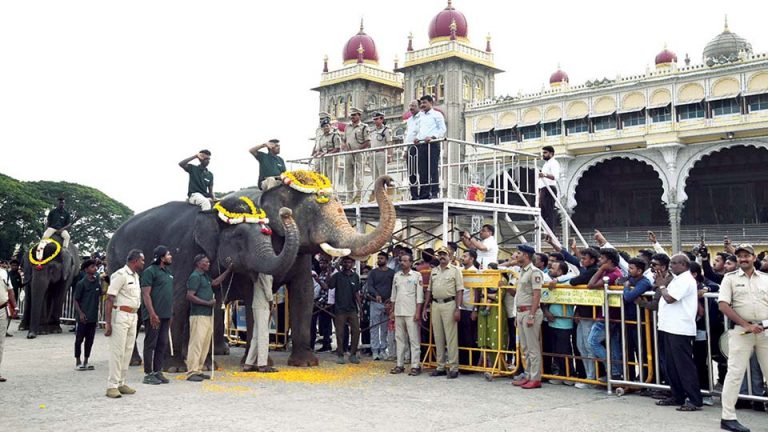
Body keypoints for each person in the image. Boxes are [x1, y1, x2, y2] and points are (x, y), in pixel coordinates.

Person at [718, 244, 768, 432]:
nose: (743, 259)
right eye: (740, 256)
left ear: (754, 258)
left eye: (747, 255)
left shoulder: (765, 279)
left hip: (764, 331)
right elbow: (723, 305)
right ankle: (727, 417)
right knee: (735, 374)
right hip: (742, 331)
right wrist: (747, 325)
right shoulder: (729, 279)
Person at [655, 254, 702, 412]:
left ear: (684, 265)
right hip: (668, 327)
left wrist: (662, 286)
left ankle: (694, 399)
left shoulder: (686, 280)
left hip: (680, 328)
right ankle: (677, 396)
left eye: (674, 263)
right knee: (671, 365)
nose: (671, 266)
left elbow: (670, 299)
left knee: (683, 366)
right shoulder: (677, 279)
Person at [185, 254, 233, 382]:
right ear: (198, 264)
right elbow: (189, 296)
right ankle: (192, 371)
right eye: (205, 262)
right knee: (196, 343)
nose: (208, 264)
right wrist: (206, 303)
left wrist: (228, 270)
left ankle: (199, 369)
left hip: (207, 314)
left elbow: (215, 282)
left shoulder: (205, 276)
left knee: (205, 343)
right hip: (199, 314)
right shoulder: (195, 276)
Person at [104, 249, 144, 399]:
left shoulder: (136, 276)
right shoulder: (120, 275)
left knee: (128, 351)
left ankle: (121, 382)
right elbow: (110, 298)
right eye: (142, 260)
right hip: (120, 314)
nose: (143, 263)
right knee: (118, 351)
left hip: (132, 315)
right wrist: (108, 323)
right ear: (135, 261)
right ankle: (112, 385)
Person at [422, 246, 464, 379]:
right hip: (435, 304)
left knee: (451, 337)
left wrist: (458, 308)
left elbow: (459, 290)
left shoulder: (455, 270)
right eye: (440, 254)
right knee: (438, 336)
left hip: (449, 304)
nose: (442, 256)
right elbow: (429, 290)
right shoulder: (434, 271)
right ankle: (440, 366)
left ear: (449, 256)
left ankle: (453, 367)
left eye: (444, 254)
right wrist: (425, 307)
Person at [511, 245, 545, 389]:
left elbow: (537, 295)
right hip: (521, 311)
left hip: (530, 311)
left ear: (526, 255)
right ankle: (528, 375)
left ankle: (535, 377)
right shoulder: (522, 271)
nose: (516, 255)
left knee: (532, 347)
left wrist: (531, 314)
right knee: (525, 347)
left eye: (519, 253)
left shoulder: (534, 272)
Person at [139, 246, 174, 385]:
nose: (170, 256)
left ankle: (157, 371)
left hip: (165, 315)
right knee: (150, 343)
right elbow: (146, 294)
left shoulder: (168, 272)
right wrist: (152, 313)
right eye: (168, 254)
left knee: (162, 343)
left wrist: (170, 313)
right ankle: (148, 374)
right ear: (161, 257)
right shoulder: (149, 271)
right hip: (154, 315)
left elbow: (169, 294)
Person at [389, 253, 424, 375]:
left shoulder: (416, 276)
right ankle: (400, 364)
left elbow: (419, 296)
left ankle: (415, 365)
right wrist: (392, 311)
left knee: (413, 339)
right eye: (401, 261)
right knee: (399, 339)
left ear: (411, 262)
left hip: (411, 312)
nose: (402, 263)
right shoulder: (397, 276)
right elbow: (393, 295)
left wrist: (418, 312)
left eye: (405, 261)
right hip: (399, 311)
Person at [329, 256, 362, 364]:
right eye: (345, 262)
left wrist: (360, 307)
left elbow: (356, 293)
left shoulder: (355, 276)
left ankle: (353, 354)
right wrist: (330, 270)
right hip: (340, 309)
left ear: (353, 264)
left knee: (356, 331)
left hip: (352, 309)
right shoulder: (337, 276)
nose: (347, 264)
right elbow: (329, 286)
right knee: (340, 333)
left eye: (349, 262)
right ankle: (340, 354)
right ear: (342, 263)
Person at [243, 271, 277, 373]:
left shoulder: (258, 271)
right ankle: (262, 364)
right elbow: (268, 290)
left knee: (256, 335)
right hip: (263, 305)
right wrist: (271, 303)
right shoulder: (265, 272)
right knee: (263, 335)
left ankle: (248, 363)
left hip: (257, 304)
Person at [413, 95, 446, 199]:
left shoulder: (437, 114)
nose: (422, 105)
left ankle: (434, 192)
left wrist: (433, 137)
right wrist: (417, 138)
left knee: (433, 168)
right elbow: (418, 130)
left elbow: (442, 129)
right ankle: (424, 193)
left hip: (432, 144)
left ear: (431, 103)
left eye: (425, 103)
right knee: (422, 170)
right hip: (421, 144)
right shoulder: (420, 116)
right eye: (421, 103)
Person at [366, 252, 395, 360]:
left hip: (388, 304)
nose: (379, 260)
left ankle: (383, 349)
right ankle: (375, 350)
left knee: (385, 328)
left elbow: (394, 287)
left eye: (381, 258)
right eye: (378, 258)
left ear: (386, 260)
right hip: (375, 303)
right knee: (374, 327)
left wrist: (391, 298)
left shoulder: (392, 273)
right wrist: (376, 294)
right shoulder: (373, 273)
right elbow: (370, 286)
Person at [73, 259, 101, 371]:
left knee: (90, 340)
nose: (95, 268)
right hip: (83, 317)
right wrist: (80, 313)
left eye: (95, 266)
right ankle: (78, 360)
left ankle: (86, 360)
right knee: (79, 339)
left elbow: (102, 293)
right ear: (86, 269)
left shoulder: (96, 282)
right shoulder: (81, 284)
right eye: (92, 267)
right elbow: (76, 300)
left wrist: (107, 282)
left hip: (93, 317)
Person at [342, 107, 370, 203]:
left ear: (359, 115)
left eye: (354, 115)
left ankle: (358, 198)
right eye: (351, 115)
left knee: (359, 177)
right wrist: (344, 146)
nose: (352, 117)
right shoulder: (347, 127)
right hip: (349, 154)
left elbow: (367, 142)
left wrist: (358, 149)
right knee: (348, 177)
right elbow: (344, 140)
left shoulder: (364, 127)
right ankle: (349, 198)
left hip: (359, 154)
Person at [458, 250, 479, 367]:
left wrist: (475, 310)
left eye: (465, 256)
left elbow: (476, 292)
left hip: (470, 309)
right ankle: (463, 363)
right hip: (461, 308)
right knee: (461, 336)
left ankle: (472, 364)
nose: (462, 258)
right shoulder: (460, 271)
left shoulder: (475, 272)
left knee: (470, 337)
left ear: (472, 259)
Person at [0, 264, 19, 382]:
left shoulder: (4, 273)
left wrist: (15, 306)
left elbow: (10, 291)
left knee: (0, 342)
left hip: (2, 310)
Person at [368, 112, 392, 201]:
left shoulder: (386, 130)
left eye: (377, 119)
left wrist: (389, 155)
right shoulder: (372, 131)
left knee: (382, 176)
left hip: (381, 153)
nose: (375, 121)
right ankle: (377, 196)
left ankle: (384, 196)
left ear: (381, 119)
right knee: (375, 177)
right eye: (374, 119)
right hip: (372, 154)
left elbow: (389, 143)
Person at [537, 145, 560, 233]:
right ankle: (546, 232)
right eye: (543, 153)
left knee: (549, 211)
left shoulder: (554, 163)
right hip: (543, 189)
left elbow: (555, 177)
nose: (543, 154)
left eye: (545, 153)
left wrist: (545, 175)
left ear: (551, 153)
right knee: (542, 212)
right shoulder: (546, 164)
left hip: (549, 188)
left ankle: (550, 233)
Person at [403, 99, 422, 200]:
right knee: (411, 171)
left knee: (422, 170)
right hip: (410, 147)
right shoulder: (409, 120)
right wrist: (405, 150)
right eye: (410, 106)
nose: (411, 108)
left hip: (420, 146)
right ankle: (414, 194)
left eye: (413, 106)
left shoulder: (423, 117)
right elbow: (407, 135)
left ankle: (423, 193)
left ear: (419, 106)